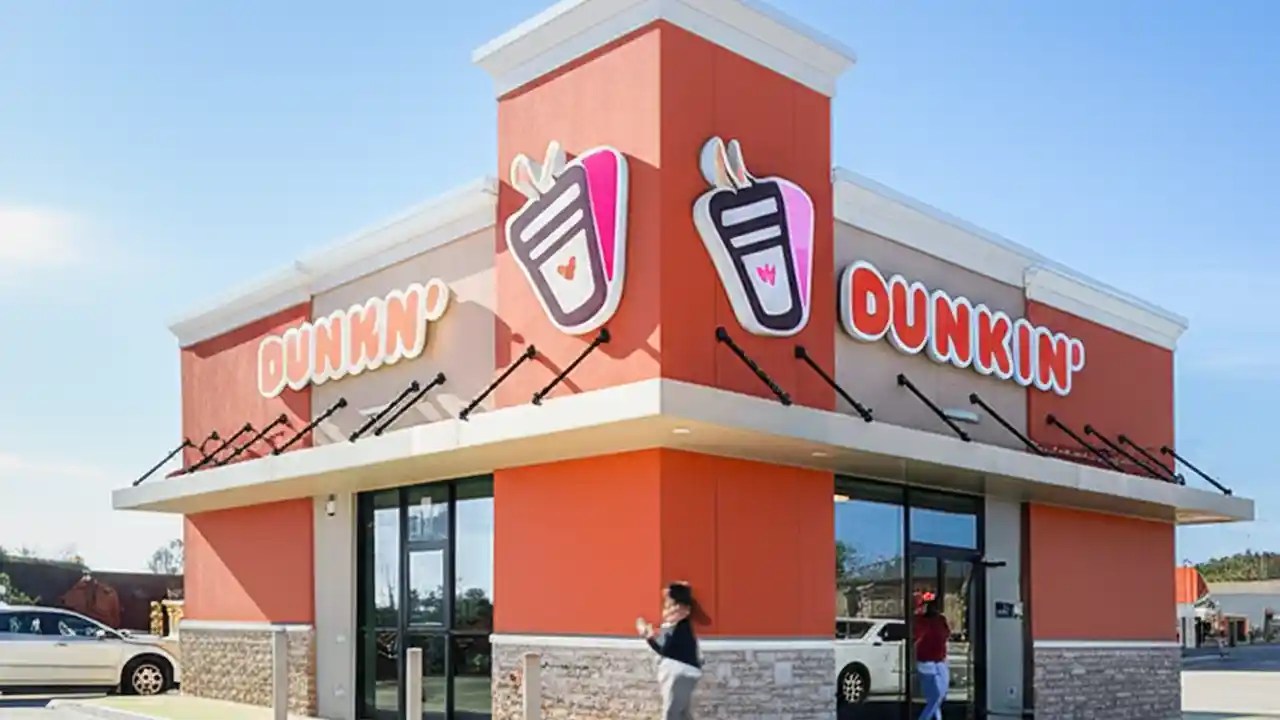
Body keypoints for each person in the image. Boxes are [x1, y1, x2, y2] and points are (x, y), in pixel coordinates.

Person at [637, 582, 703, 719]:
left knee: (671, 712)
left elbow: (664, 649)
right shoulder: (679, 626)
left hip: (678, 671)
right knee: (682, 712)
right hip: (687, 670)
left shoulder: (676, 626)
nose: (667, 610)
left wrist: (648, 636)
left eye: (670, 605)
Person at [915, 598, 951, 720]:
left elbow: (946, 634)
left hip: (940, 661)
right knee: (936, 696)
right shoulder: (922, 621)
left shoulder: (940, 620)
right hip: (927, 662)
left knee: (939, 695)